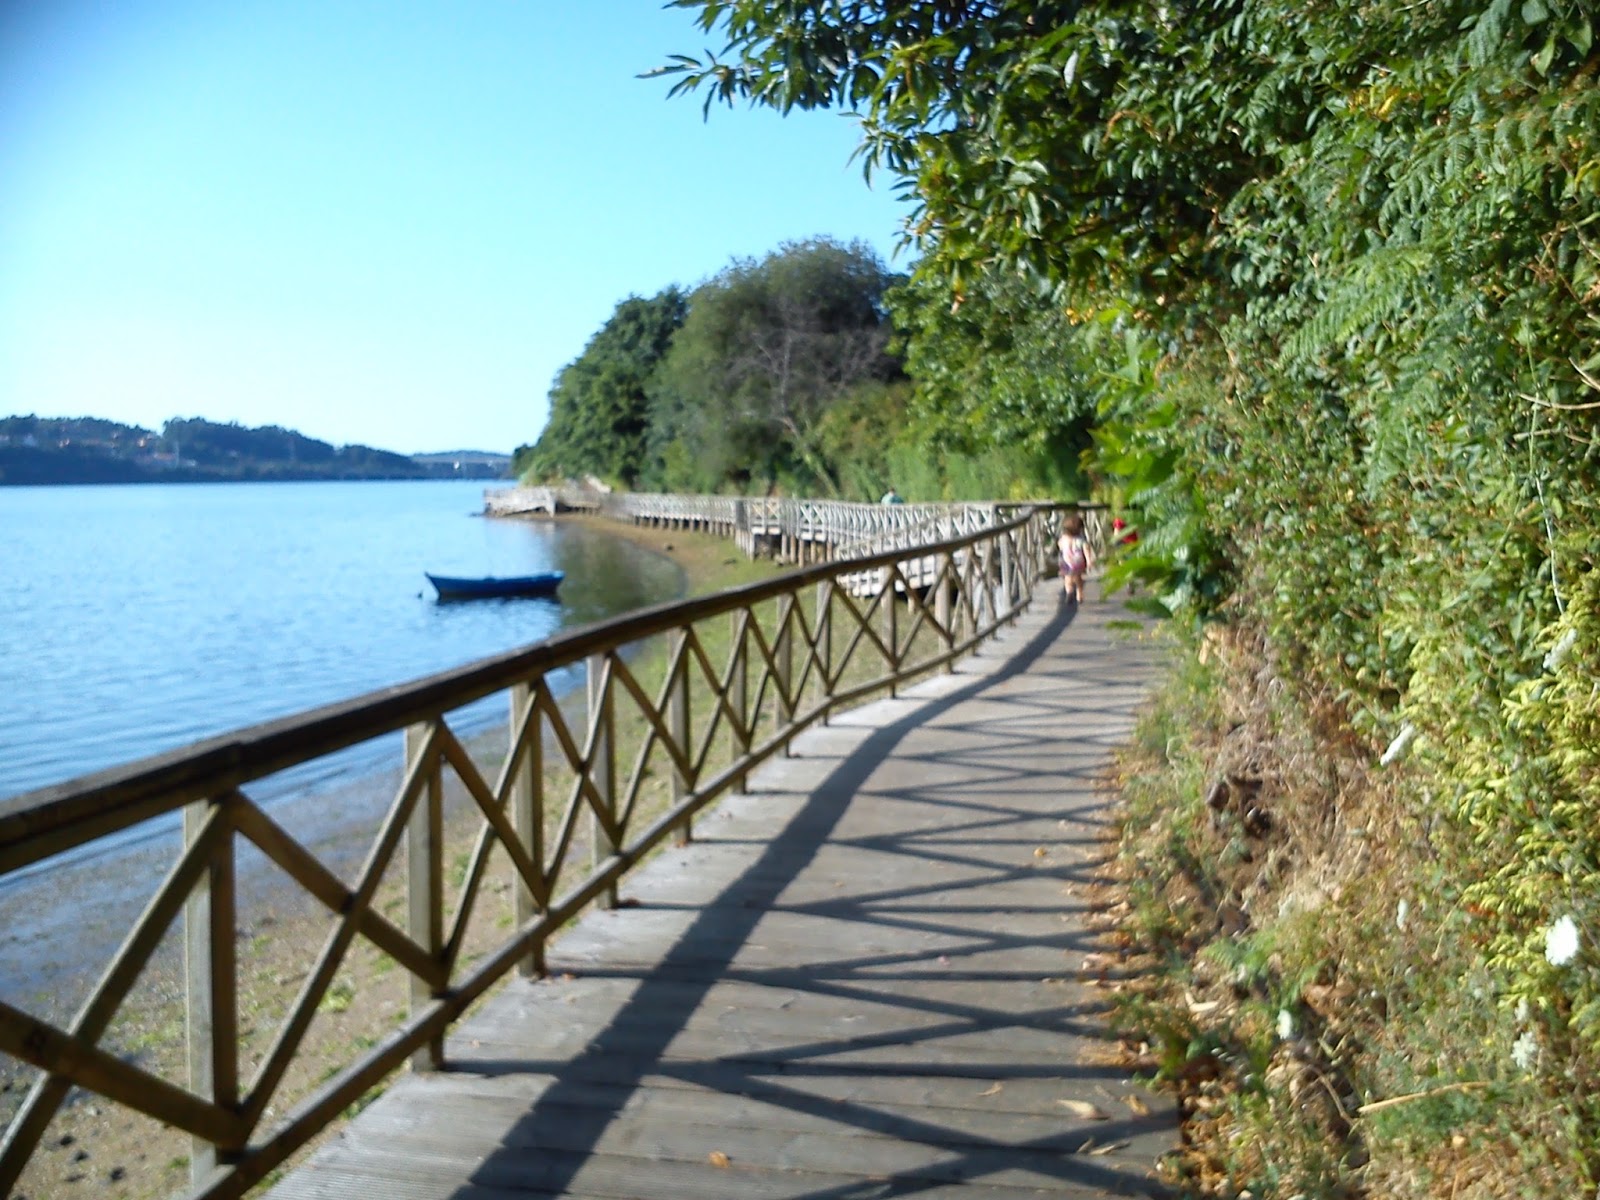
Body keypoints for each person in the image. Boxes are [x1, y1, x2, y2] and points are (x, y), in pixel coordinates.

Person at [1057, 513, 1092, 604]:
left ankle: (1069, 591)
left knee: (1067, 578)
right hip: (1078, 562)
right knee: (1078, 578)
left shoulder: (1063, 538)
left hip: (1066, 562)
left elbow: (1060, 546)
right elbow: (1086, 549)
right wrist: (1089, 560)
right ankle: (1079, 594)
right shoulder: (1081, 539)